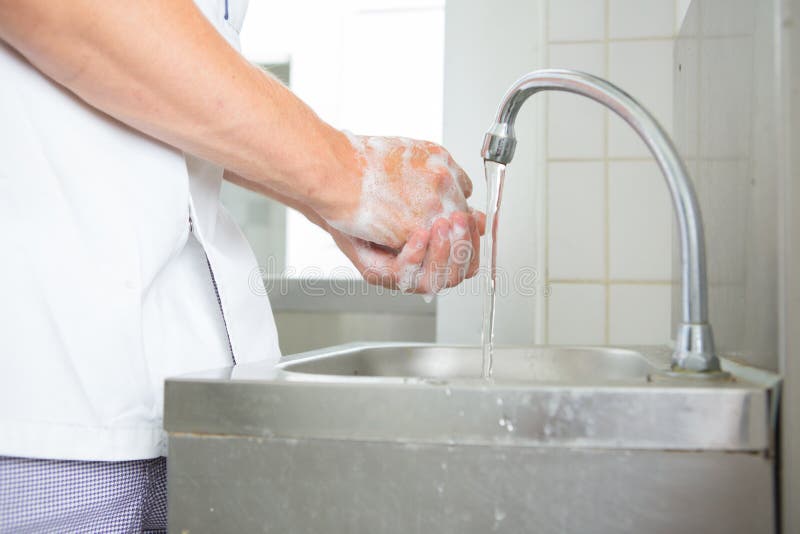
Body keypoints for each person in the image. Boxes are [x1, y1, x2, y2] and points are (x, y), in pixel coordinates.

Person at [0, 0, 483, 531]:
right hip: (45, 402)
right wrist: (346, 175)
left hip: (190, 398)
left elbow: (167, 85)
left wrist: (333, 205)